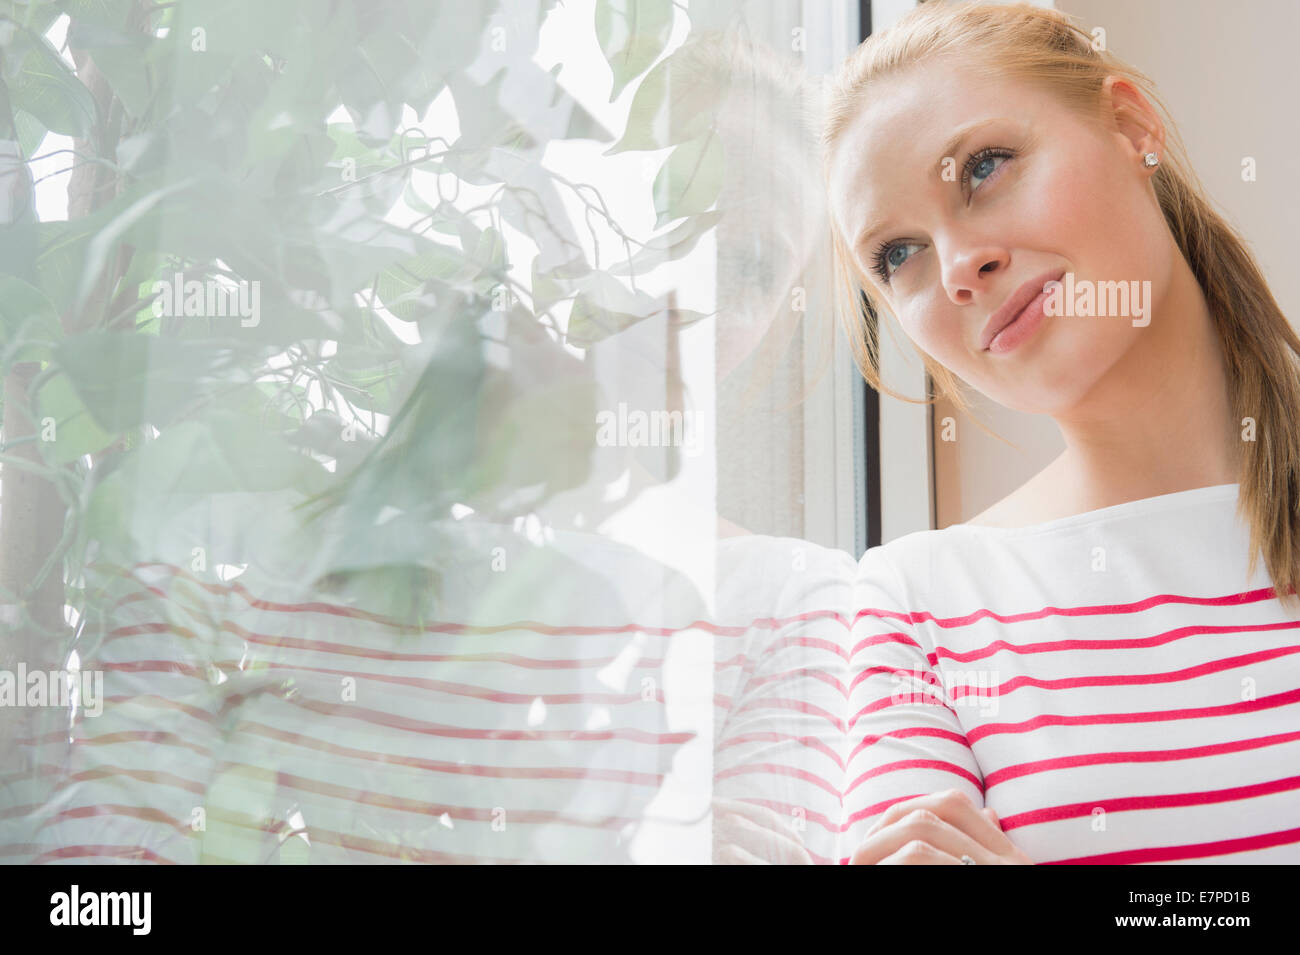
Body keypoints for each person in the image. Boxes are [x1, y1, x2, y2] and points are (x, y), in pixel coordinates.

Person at [819, 0, 1300, 863]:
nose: (960, 266)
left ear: (1129, 125)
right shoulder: (918, 609)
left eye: (984, 166)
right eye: (899, 255)